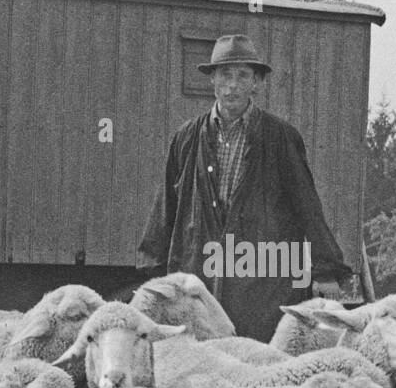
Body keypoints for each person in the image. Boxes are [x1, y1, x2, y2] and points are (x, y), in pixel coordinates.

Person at [137, 33, 355, 342]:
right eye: (225, 74)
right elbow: (166, 208)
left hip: (261, 277)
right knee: (201, 361)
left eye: (243, 76)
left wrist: (325, 270)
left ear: (256, 83)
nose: (233, 84)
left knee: (259, 362)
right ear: (212, 80)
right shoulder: (186, 138)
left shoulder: (280, 137)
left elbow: (307, 205)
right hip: (201, 275)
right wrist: (153, 270)